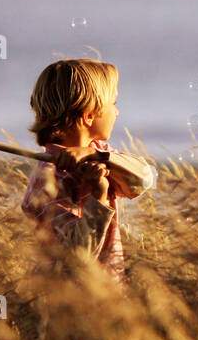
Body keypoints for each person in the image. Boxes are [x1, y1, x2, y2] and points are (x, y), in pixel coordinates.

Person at [22, 58, 155, 285]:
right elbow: (75, 258)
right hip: (74, 303)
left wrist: (97, 156)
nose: (117, 111)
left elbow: (143, 179)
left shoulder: (99, 151)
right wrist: (99, 197)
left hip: (110, 293)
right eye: (113, 103)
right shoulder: (50, 179)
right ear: (89, 115)